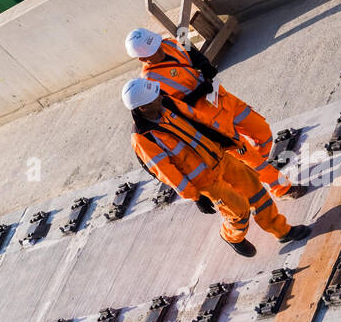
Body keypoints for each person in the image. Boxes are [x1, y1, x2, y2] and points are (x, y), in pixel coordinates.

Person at [124, 78, 310, 258]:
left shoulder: (167, 104)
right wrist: (195, 196)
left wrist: (230, 140)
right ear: (143, 107)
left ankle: (281, 231)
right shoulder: (143, 138)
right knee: (239, 211)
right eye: (155, 96)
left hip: (220, 158)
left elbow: (200, 120)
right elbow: (165, 171)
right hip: (204, 181)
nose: (160, 96)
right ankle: (231, 236)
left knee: (256, 190)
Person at [125, 27, 303, 200]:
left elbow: (190, 51)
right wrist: (199, 91)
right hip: (210, 121)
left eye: (157, 44)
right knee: (249, 156)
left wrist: (204, 65)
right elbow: (174, 108)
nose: (159, 50)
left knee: (263, 133)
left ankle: (249, 173)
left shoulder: (170, 43)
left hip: (223, 100)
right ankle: (281, 188)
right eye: (153, 50)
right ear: (142, 57)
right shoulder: (150, 83)